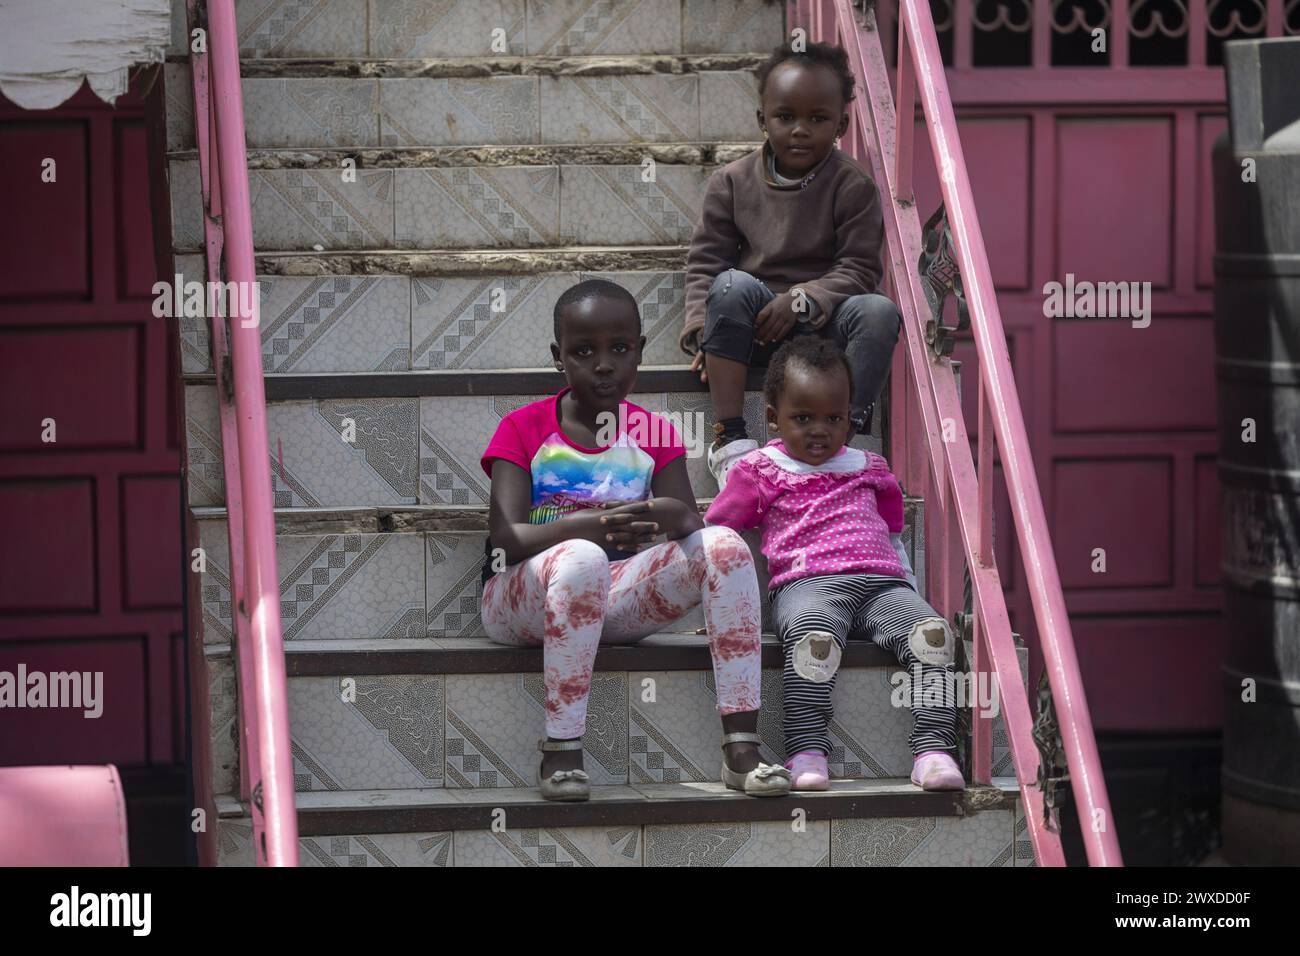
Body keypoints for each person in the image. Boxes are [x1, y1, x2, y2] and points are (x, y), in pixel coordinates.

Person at [479, 278, 792, 801]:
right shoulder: (523, 427)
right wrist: (596, 526)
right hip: (520, 599)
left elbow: (687, 520)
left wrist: (655, 516)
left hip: (612, 598)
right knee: (580, 557)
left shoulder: (652, 432)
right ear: (559, 358)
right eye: (583, 351)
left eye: (619, 349)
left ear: (640, 352)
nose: (603, 364)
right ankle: (562, 751)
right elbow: (505, 539)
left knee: (727, 546)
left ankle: (742, 747)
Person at [705, 337, 964, 792]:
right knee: (814, 642)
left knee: (933, 636)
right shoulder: (761, 469)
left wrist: (903, 579)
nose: (819, 430)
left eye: (834, 418)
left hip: (883, 586)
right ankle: (807, 750)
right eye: (802, 418)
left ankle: (934, 750)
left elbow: (893, 523)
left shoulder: (869, 465)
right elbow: (718, 526)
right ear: (772, 419)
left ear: (851, 416)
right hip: (808, 585)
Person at [682, 39, 901, 489]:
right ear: (763, 120)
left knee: (879, 311)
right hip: (760, 326)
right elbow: (707, 262)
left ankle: (843, 445)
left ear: (841, 123)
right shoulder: (731, 182)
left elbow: (860, 269)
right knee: (728, 286)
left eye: (817, 119)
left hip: (826, 332)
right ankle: (731, 441)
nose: (800, 130)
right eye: (786, 117)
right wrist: (706, 329)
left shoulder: (852, 185)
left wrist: (802, 298)